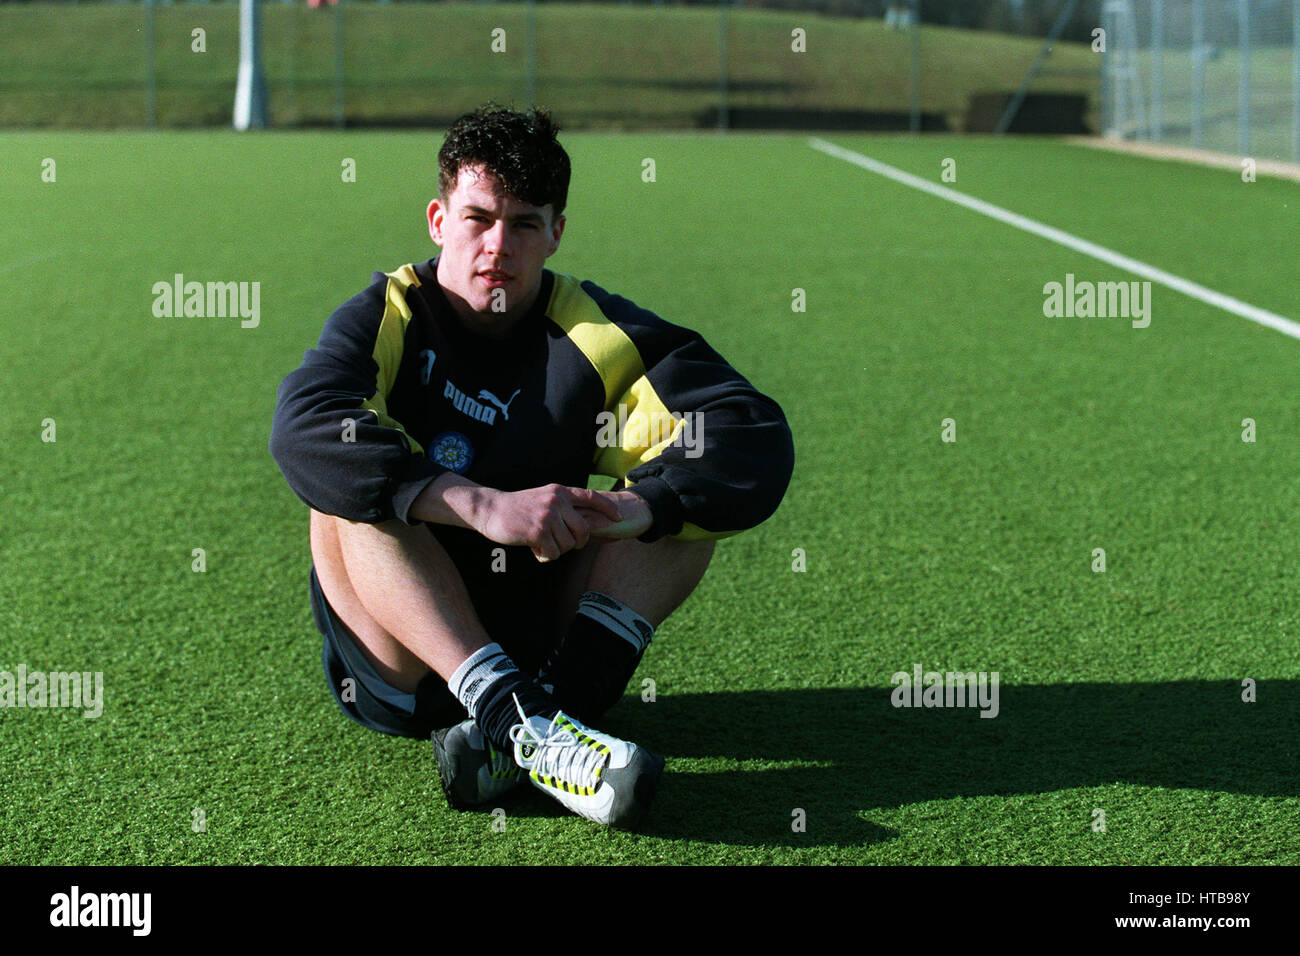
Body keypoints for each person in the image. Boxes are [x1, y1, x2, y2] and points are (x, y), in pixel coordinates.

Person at [269, 105, 794, 830]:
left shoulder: (591, 330)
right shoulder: (392, 312)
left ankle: (540, 722)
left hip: (547, 645)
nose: (497, 246)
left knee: (682, 500)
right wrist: (481, 506)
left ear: (556, 233)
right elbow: (304, 423)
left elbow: (750, 431)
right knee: (343, 489)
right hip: (412, 663)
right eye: (478, 218)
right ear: (438, 219)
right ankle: (515, 715)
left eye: (523, 224)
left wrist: (640, 508)